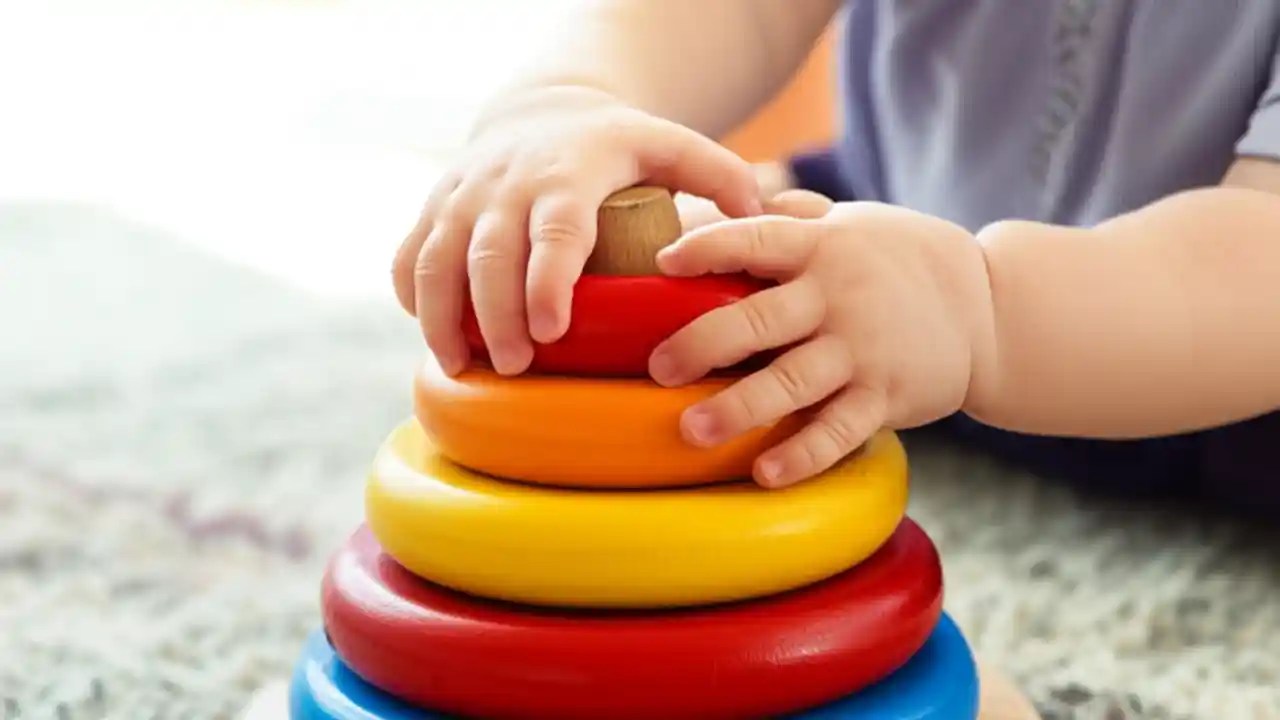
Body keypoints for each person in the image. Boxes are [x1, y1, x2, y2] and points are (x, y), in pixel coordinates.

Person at [393, 1, 1280, 505]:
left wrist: (980, 309)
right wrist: (565, 98)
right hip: (888, 222)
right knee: (696, 265)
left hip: (1224, 377)